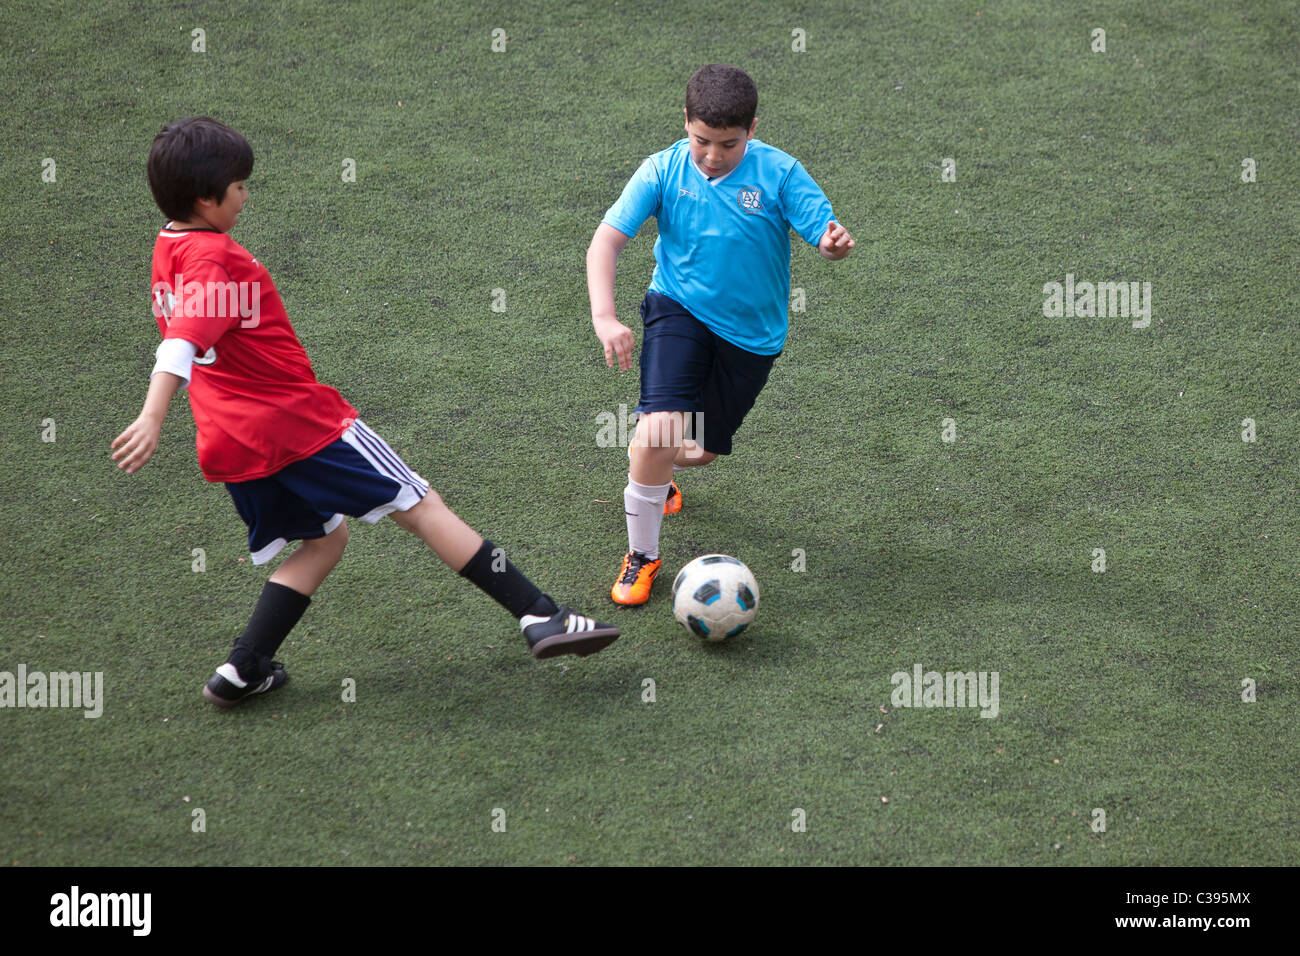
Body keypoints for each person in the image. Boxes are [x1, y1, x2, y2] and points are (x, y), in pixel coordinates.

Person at [114, 117, 618, 708]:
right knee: (420, 503)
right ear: (206, 197)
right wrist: (152, 414)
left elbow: (183, 329)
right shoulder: (212, 260)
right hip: (297, 426)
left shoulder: (167, 247)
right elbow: (181, 343)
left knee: (325, 541)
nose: (246, 196)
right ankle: (541, 615)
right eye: (240, 186)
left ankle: (243, 667)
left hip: (230, 444)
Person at [586, 64, 855, 605]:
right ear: (685, 121)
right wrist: (605, 316)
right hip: (677, 309)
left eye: (727, 144)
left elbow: (821, 233)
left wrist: (832, 245)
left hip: (751, 337)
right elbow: (606, 242)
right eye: (701, 140)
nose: (711, 155)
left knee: (702, 451)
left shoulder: (779, 174)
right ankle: (643, 554)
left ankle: (656, 474)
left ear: (752, 129)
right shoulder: (661, 171)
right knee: (658, 430)